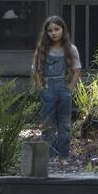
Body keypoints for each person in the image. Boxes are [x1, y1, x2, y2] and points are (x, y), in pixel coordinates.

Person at [31, 16, 81, 161]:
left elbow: (77, 69)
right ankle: (48, 157)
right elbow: (35, 70)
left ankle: (63, 157)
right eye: (50, 30)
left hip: (63, 88)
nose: (53, 33)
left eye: (57, 29)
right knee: (48, 124)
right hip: (48, 88)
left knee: (64, 124)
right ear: (46, 33)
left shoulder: (71, 49)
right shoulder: (42, 49)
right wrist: (41, 88)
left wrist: (70, 88)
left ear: (63, 30)